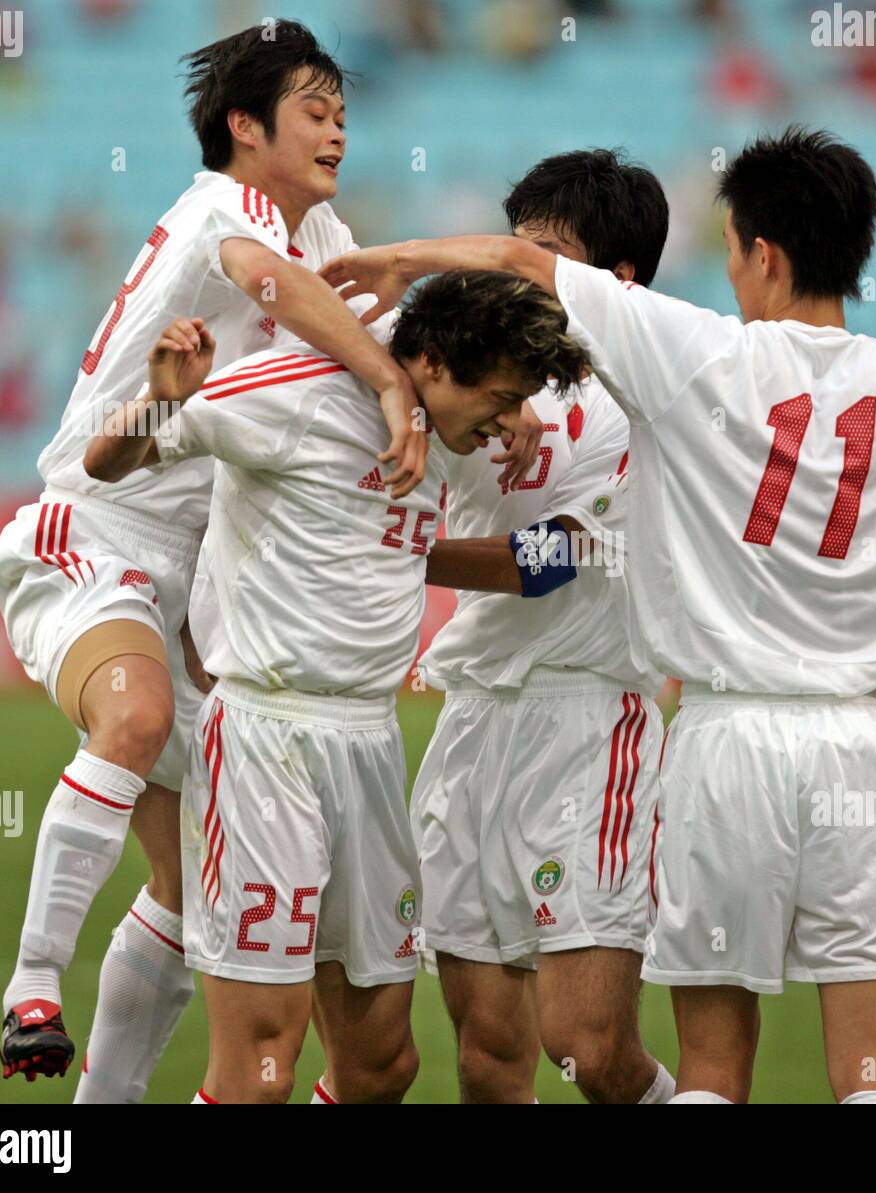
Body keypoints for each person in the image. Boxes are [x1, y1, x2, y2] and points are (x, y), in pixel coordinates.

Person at [320, 125, 876, 1103]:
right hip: (824, 736)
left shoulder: (677, 367)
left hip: (672, 727)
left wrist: (399, 260)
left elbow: (549, 552)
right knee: (859, 1072)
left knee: (662, 1059)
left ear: (754, 254)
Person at [0, 19, 434, 1097]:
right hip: (94, 531)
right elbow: (274, 287)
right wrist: (383, 382)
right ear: (245, 127)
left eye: (342, 111)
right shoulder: (225, 209)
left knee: (192, 888)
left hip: (198, 581)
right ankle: (31, 984)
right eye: (313, 111)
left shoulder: (318, 232)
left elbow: (392, 324)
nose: (336, 131)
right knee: (134, 717)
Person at [82, 269, 589, 1104]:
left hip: (370, 746)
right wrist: (161, 400)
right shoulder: (297, 394)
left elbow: (549, 560)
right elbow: (106, 461)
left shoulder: (465, 430)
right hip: (267, 743)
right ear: (428, 362)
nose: (507, 419)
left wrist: (519, 430)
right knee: (262, 1062)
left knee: (382, 1066)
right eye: (498, 396)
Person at [411, 149, 674, 1103]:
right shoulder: (477, 371)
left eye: (544, 251)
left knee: (590, 1050)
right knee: (487, 1054)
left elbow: (555, 558)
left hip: (588, 723)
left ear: (618, 280)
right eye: (512, 244)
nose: (512, 264)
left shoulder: (647, 401)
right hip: (473, 718)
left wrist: (401, 549)